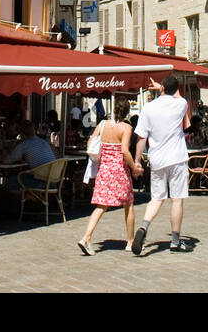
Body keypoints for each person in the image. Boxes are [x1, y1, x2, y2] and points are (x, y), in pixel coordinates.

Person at [131, 75, 192, 254]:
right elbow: (178, 94)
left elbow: (142, 137)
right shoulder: (181, 104)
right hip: (177, 157)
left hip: (157, 158)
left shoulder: (148, 108)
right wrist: (162, 87)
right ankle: (175, 241)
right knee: (177, 199)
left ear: (163, 88)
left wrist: (136, 160)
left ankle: (143, 227)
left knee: (157, 198)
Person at [78, 100, 142, 255]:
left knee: (101, 206)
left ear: (113, 110)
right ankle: (130, 241)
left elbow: (91, 141)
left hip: (104, 169)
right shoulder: (126, 127)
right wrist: (134, 168)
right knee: (128, 204)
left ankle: (86, 237)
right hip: (119, 170)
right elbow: (125, 151)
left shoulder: (102, 125)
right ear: (127, 113)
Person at [5, 120, 56, 191]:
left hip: (41, 182)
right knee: (25, 176)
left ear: (21, 134)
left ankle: (28, 198)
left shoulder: (24, 145)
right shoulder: (44, 142)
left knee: (10, 182)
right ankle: (33, 197)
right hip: (54, 181)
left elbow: (7, 160)